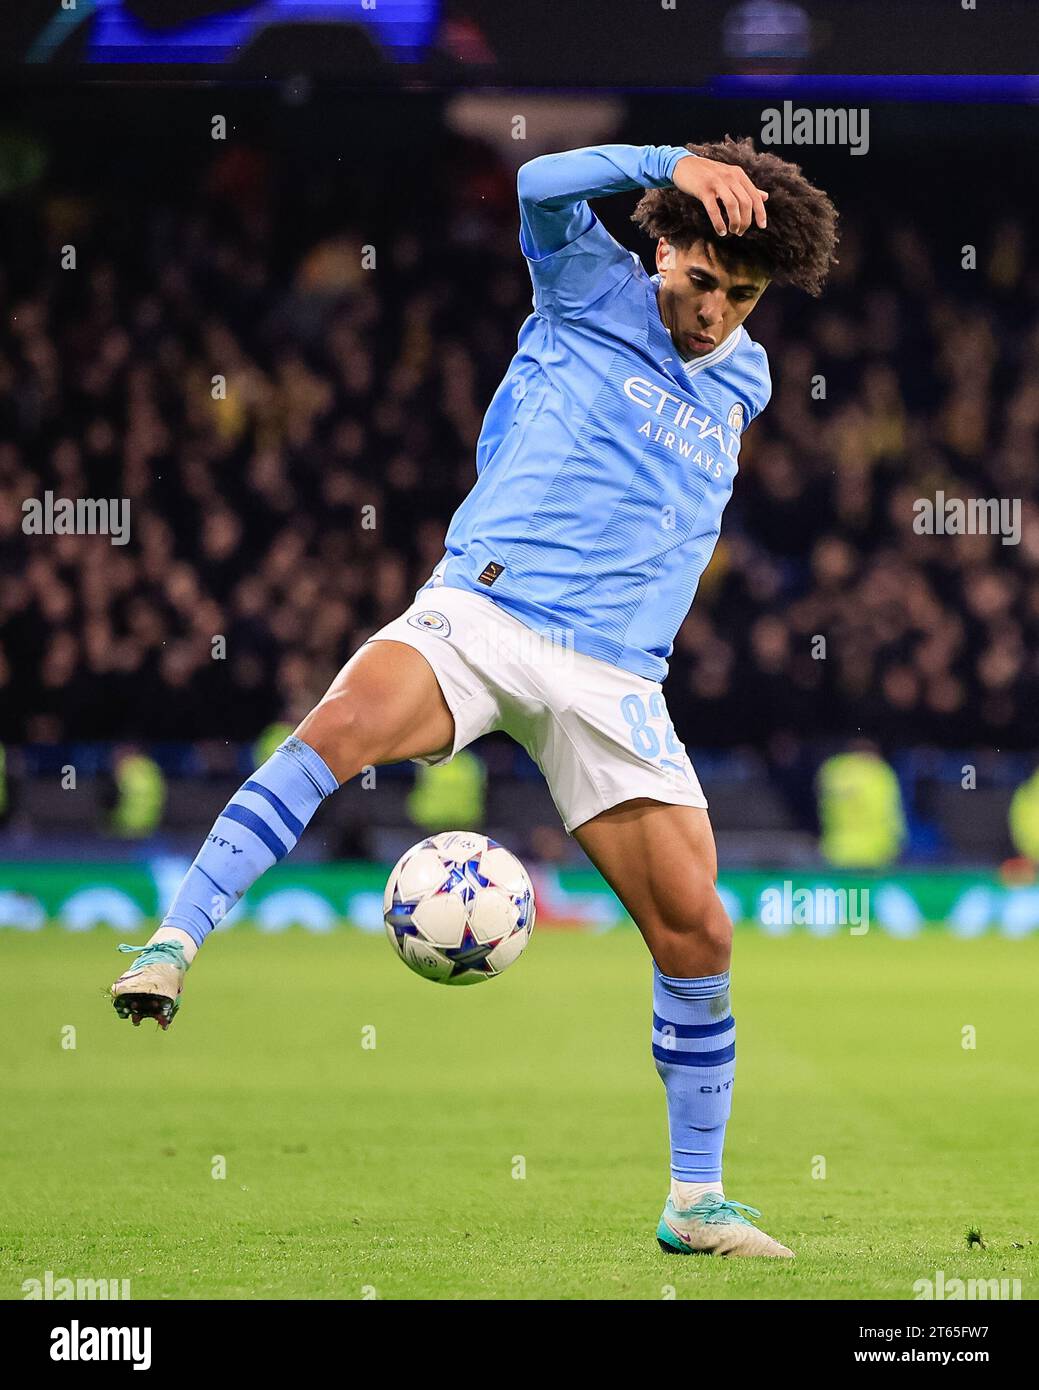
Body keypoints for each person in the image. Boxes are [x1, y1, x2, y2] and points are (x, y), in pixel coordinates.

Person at [111, 138, 838, 1258]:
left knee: (697, 931)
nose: (713, 316)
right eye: (700, 284)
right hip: (489, 612)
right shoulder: (585, 279)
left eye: (739, 297)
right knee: (338, 728)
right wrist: (670, 161)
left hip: (614, 678)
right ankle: (173, 940)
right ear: (662, 247)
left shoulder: (749, 377)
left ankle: (694, 1199)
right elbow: (540, 182)